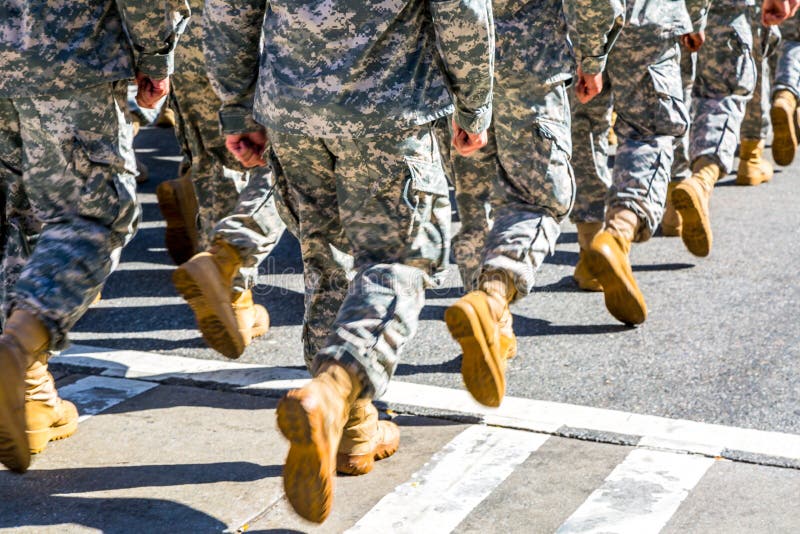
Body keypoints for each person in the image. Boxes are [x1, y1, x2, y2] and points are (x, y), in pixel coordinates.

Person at [204, 0, 494, 523]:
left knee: (325, 258)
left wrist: (237, 108)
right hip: (390, 108)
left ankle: (353, 427)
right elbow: (461, 11)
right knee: (400, 258)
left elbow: (228, 11)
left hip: (292, 109)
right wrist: (475, 105)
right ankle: (333, 390)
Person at [0, 0, 189, 474]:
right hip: (66, 57)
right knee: (96, 215)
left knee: (13, 214)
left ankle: (30, 393)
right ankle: (17, 348)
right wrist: (154, 59)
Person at [444, 0, 623, 407]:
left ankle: (496, 328)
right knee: (539, 201)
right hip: (529, 65)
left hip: (451, 69)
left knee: (473, 205)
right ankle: (491, 299)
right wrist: (592, 57)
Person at [156, 0, 288, 358]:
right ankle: (228, 260)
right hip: (250, 36)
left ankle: (235, 303)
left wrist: (150, 54)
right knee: (282, 160)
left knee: (213, 161)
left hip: (183, 35)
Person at [570, 1, 705, 325]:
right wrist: (696, 15)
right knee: (650, 130)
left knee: (585, 128)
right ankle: (616, 235)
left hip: (573, 23)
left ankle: (590, 252)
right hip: (646, 18)